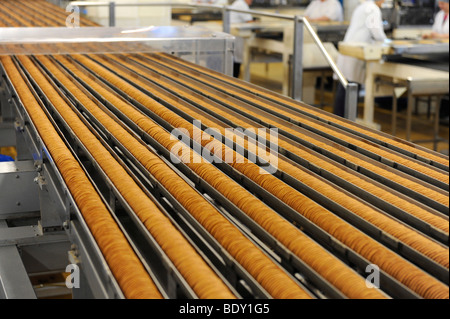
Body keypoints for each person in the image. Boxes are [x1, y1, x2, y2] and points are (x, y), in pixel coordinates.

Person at [333, 0, 387, 117]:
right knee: (350, 88)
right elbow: (377, 32)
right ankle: (346, 123)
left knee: (345, 86)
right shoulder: (372, 9)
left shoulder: (363, 6)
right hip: (355, 52)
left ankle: (339, 121)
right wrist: (387, 42)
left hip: (351, 49)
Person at [229, 0, 254, 78]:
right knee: (236, 59)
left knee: (234, 58)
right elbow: (249, 21)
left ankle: (233, 80)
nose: (252, 1)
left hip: (234, 33)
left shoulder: (238, 3)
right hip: (237, 34)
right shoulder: (242, 5)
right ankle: (234, 80)